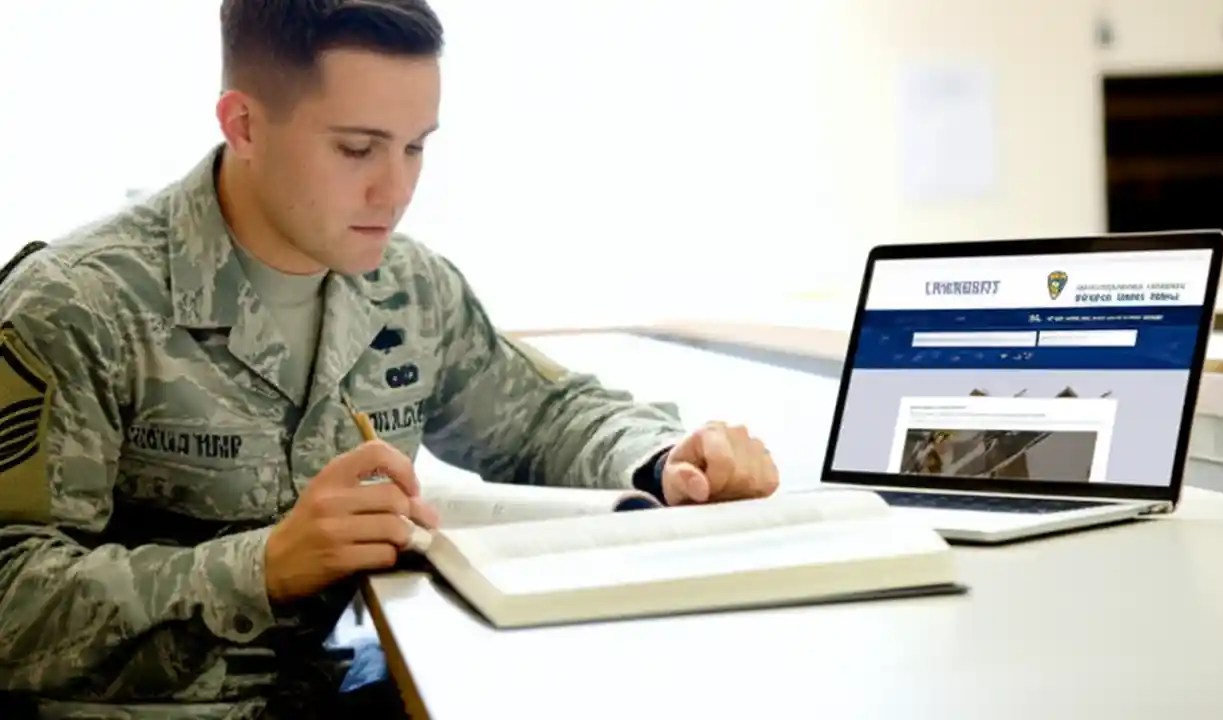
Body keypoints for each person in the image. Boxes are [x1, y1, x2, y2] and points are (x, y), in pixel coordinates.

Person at [0, 1, 779, 717]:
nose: (396, 187)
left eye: (415, 147)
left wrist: (662, 460)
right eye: (356, 149)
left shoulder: (408, 288)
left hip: (342, 689)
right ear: (243, 124)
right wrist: (262, 566)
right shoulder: (79, 304)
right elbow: (11, 599)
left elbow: (539, 416)